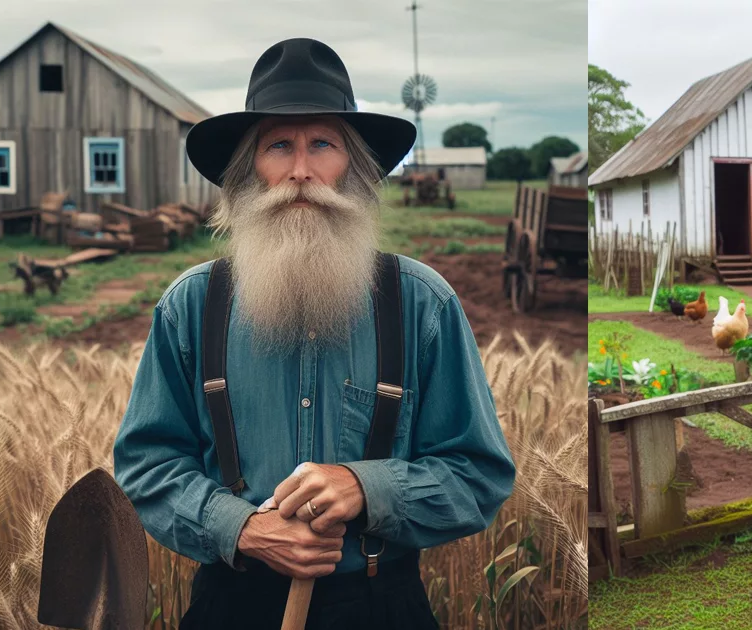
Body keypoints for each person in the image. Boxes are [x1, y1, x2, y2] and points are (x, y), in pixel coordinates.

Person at [112, 38, 516, 629]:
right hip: (232, 604)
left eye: (322, 144)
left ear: (353, 167)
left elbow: (479, 474)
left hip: (381, 606)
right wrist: (242, 527)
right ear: (248, 169)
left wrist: (368, 486)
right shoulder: (192, 306)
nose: (301, 172)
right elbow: (147, 465)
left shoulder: (421, 303)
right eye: (278, 145)